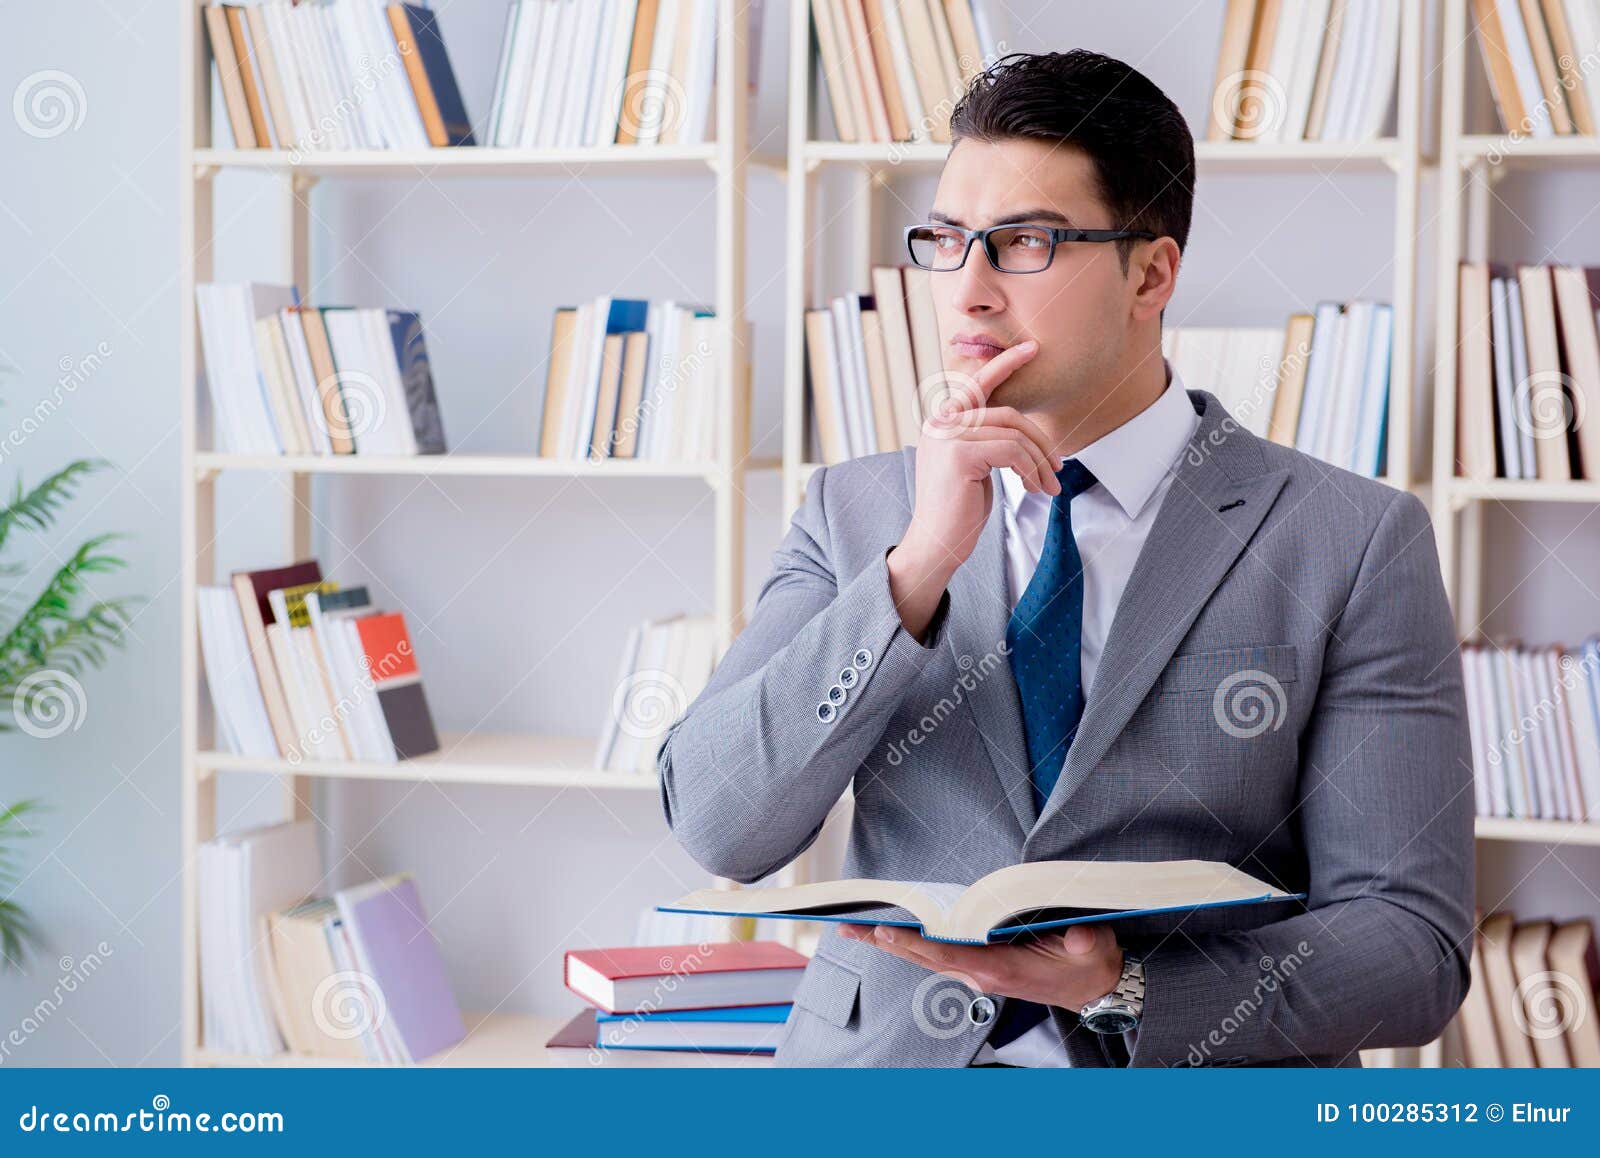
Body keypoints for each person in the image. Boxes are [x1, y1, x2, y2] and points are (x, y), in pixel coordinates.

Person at [657, 49, 1473, 1068]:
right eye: (947, 241)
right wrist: (915, 569)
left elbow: (1411, 946)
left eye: (1025, 242)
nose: (969, 290)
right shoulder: (854, 509)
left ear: (1152, 272)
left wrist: (1122, 986)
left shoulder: (1349, 539)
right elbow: (721, 829)